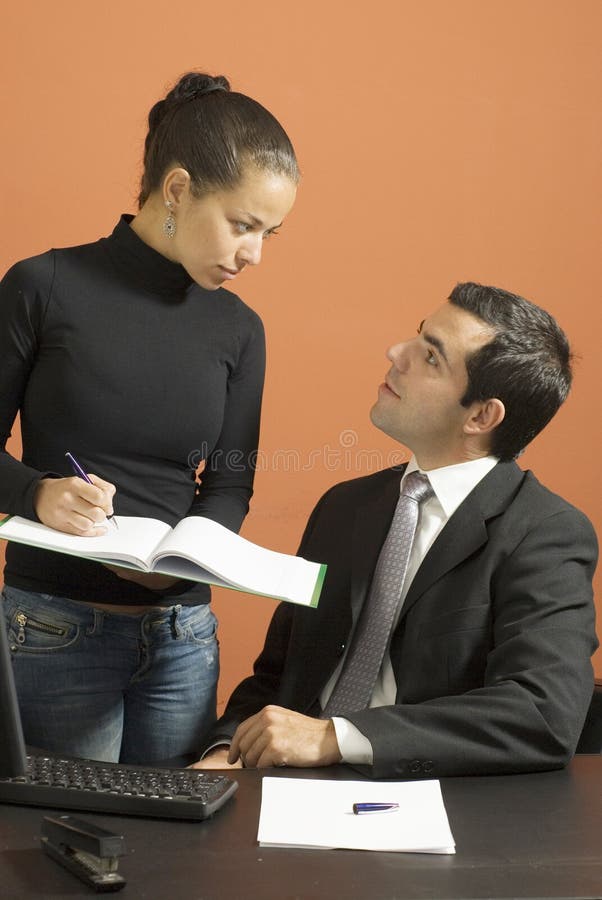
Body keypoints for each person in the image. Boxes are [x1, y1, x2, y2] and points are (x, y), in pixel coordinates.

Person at [0, 71, 299, 765]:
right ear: (178, 189)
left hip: (182, 639)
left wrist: (187, 559)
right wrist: (37, 494)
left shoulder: (240, 329)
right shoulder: (42, 286)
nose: (254, 253)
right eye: (243, 225)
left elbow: (229, 483)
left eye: (269, 233)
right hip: (52, 630)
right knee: (64, 833)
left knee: (180, 832)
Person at [196, 282, 598, 778]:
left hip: (417, 796)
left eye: (431, 357)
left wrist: (336, 737)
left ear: (480, 415)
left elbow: (543, 712)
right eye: (418, 335)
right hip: (285, 781)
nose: (395, 352)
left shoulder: (546, 533)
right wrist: (225, 748)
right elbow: (277, 678)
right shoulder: (345, 506)